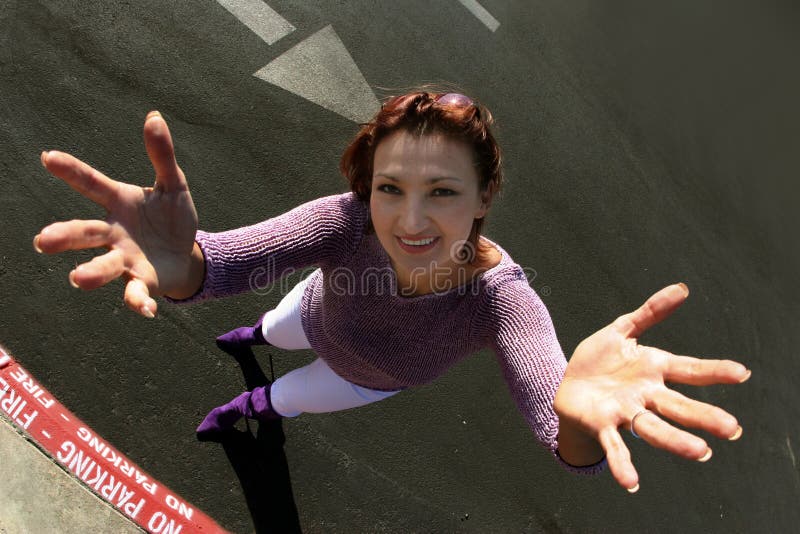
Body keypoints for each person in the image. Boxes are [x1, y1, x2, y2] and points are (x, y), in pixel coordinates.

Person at [33, 91, 750, 493]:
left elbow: (557, 422)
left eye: (442, 192)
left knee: (283, 400)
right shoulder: (344, 220)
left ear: (484, 197)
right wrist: (180, 259)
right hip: (313, 314)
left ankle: (241, 407)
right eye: (390, 189)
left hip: (367, 379)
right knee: (272, 327)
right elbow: (226, 264)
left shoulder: (503, 300)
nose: (409, 221)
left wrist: (582, 425)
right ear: (367, 187)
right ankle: (252, 340)